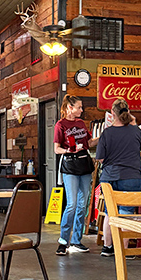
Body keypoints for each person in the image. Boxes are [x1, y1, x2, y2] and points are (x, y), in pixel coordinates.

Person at [96, 98, 141, 257]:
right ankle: (124, 251)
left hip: (109, 177)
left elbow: (100, 158)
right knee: (127, 213)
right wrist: (134, 124)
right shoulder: (136, 131)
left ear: (112, 113)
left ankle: (107, 248)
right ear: (128, 112)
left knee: (111, 213)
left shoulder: (107, 133)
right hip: (131, 176)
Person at [54, 95, 96, 255]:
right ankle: (63, 241)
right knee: (71, 204)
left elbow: (89, 143)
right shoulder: (60, 125)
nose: (82, 110)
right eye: (79, 107)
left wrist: (106, 134)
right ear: (69, 108)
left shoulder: (81, 123)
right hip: (70, 165)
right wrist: (69, 150)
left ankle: (76, 241)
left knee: (82, 204)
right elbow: (56, 149)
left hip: (84, 164)